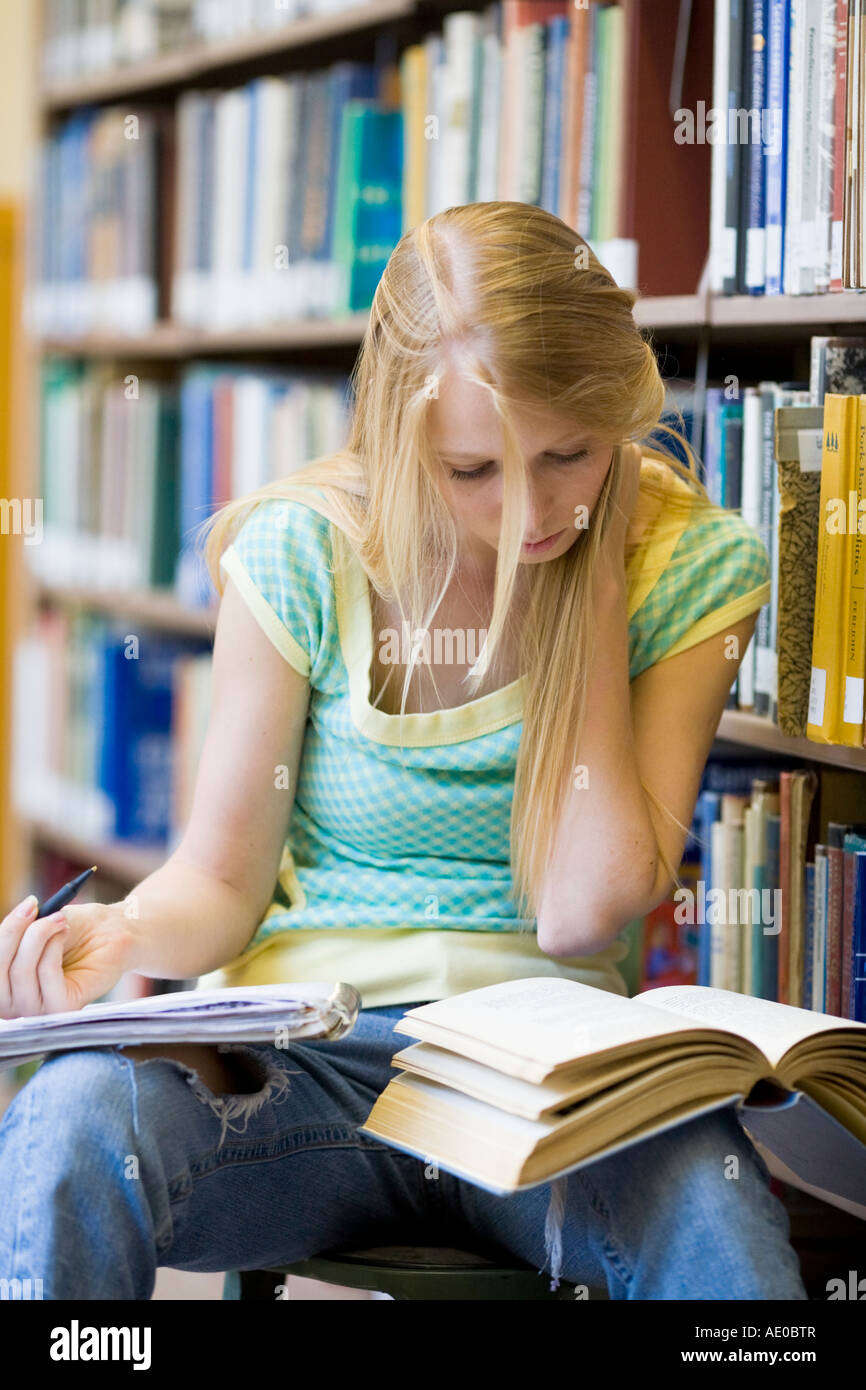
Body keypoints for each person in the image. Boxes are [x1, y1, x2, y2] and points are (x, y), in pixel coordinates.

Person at [0, 203, 807, 1300]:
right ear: (394, 432)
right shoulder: (303, 550)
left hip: (552, 1085)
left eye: (566, 453)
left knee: (711, 1198)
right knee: (74, 1109)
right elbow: (223, 883)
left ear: (618, 412)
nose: (528, 510)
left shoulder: (693, 566)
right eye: (473, 469)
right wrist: (118, 932)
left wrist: (592, 585)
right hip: (302, 1068)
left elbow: (580, 912)